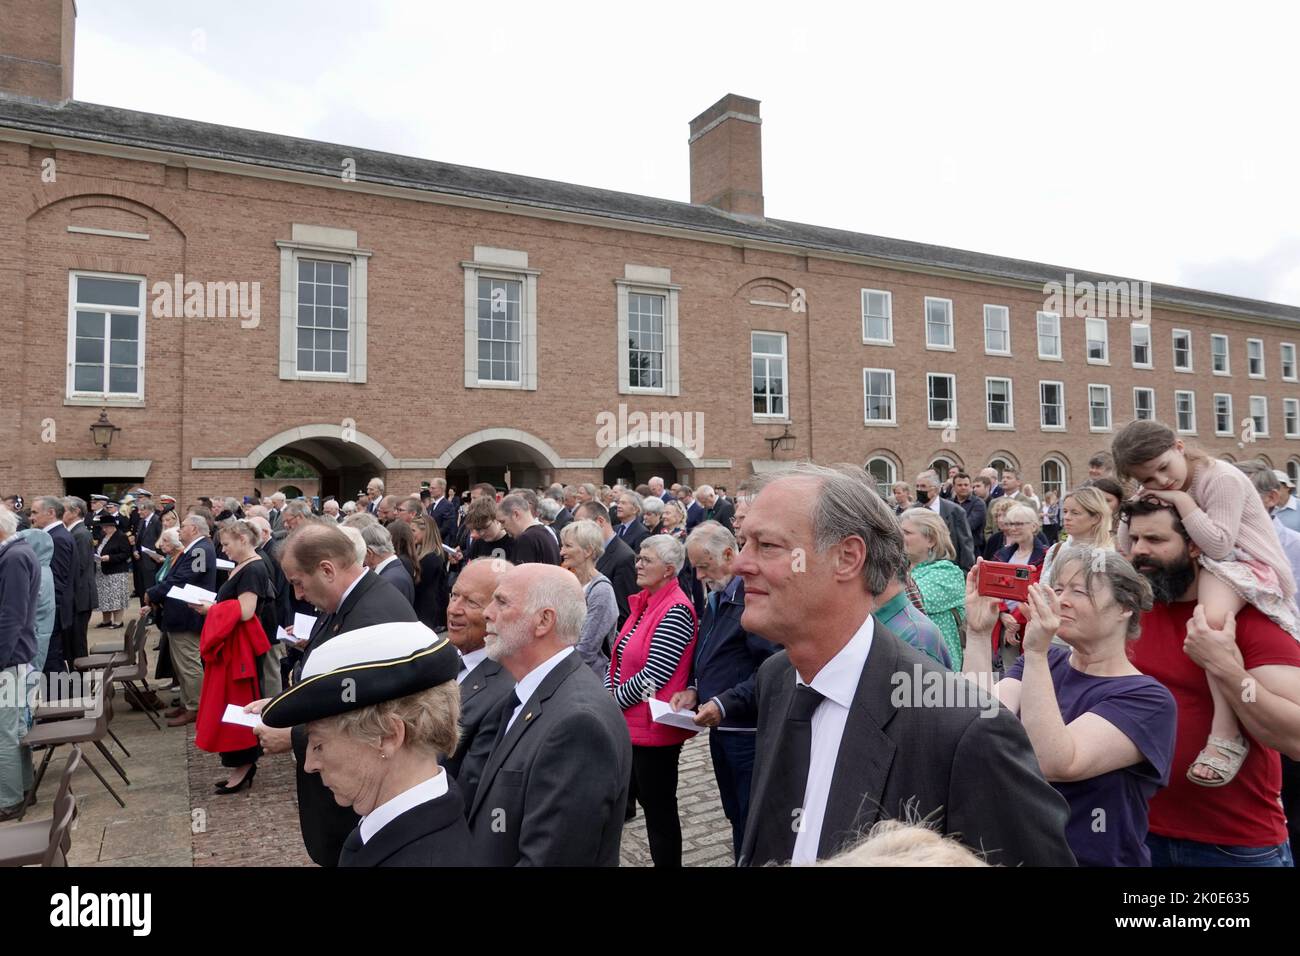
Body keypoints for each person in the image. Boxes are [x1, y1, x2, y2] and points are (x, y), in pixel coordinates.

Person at [734, 463, 1074, 867]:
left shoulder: (963, 729)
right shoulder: (777, 677)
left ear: (847, 557)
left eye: (766, 546)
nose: (740, 564)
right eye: (743, 543)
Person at [1113, 419, 1298, 788]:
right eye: (1147, 478)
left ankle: (1226, 731)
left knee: (1210, 624)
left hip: (1247, 564)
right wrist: (1136, 502)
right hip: (1214, 563)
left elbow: (1218, 546)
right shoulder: (1154, 487)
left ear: (1179, 447)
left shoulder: (1221, 478)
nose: (1161, 481)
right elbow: (1124, 542)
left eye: (1164, 468)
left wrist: (1183, 501)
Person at [962, 550, 1177, 866]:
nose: (1062, 600)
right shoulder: (1048, 661)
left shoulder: (1148, 699)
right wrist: (979, 633)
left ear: (1125, 607)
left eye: (1080, 591)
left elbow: (1055, 762)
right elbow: (976, 723)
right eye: (1059, 589)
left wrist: (1036, 653)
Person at [1123, 498, 1300, 866]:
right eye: (1135, 538)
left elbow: (1295, 738)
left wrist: (1226, 668)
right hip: (1138, 833)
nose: (1139, 550)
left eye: (1155, 539)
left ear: (1194, 545)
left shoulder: (1249, 623)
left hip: (1232, 845)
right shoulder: (1131, 615)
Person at [249, 522, 419, 867]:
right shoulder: (348, 604)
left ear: (327, 570)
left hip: (361, 792)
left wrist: (293, 735)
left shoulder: (373, 614)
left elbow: (372, 715)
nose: (298, 595)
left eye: (298, 582)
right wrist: (285, 705)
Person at [261, 622, 471, 866]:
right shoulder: (412, 825)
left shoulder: (421, 853)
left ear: (387, 736)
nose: (310, 764)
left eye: (318, 744)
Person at [468, 564, 633, 866]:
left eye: (501, 602)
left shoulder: (578, 725)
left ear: (544, 620)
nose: (487, 613)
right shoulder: (533, 689)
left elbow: (551, 858)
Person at [672, 521, 779, 859]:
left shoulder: (751, 599)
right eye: (695, 567)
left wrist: (724, 702)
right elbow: (710, 650)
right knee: (734, 812)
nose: (699, 576)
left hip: (747, 731)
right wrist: (694, 688)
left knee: (750, 818)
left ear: (730, 555)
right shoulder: (719, 595)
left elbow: (772, 669)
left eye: (704, 566)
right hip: (723, 728)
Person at [606, 534, 698, 867]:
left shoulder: (675, 609)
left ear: (669, 569)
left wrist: (611, 702)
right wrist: (608, 693)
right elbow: (618, 658)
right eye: (638, 558)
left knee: (659, 812)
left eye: (647, 560)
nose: (638, 564)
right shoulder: (645, 602)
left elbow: (654, 675)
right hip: (631, 723)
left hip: (653, 729)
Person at [191, 520, 278, 793]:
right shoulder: (244, 565)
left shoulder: (254, 568)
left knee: (239, 703)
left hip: (240, 651)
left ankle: (245, 763)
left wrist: (211, 610)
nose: (223, 550)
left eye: (227, 544)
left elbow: (246, 611)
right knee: (229, 702)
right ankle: (239, 764)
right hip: (233, 646)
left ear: (243, 539)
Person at [441, 558, 515, 808]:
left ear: (500, 611)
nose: (454, 609)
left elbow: (468, 788)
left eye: (471, 602)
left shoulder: (506, 690)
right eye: (454, 596)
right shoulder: (441, 656)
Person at [0, 508, 40, 820]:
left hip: (9, 658)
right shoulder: (18, 552)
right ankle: (24, 789)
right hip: (15, 656)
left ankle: (9, 799)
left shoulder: (14, 557)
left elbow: (10, 616)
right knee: (14, 729)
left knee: (5, 732)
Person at [899, 509, 966, 669]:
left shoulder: (947, 572)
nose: (898, 537)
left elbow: (909, 601)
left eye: (906, 532)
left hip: (936, 668)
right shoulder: (903, 570)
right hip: (906, 661)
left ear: (931, 540)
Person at [558, 520, 616, 678]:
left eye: (568, 546)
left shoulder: (601, 590)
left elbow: (586, 649)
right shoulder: (567, 580)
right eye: (562, 546)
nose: (562, 552)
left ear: (588, 551)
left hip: (582, 677)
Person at [575, 501, 638, 628]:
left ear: (600, 521)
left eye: (581, 525)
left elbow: (623, 613)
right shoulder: (587, 551)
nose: (577, 531)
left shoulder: (624, 557)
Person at [1043, 486, 1115, 586]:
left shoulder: (1100, 554)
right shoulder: (1056, 549)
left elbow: (1098, 591)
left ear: (1096, 518)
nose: (1067, 517)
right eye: (1065, 511)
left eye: (1075, 513)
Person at [914, 471, 976, 572]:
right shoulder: (913, 511)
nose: (919, 490)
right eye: (917, 486)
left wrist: (966, 571)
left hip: (948, 567)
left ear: (935, 489)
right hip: (919, 568)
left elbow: (965, 544)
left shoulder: (955, 511)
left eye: (923, 486)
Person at [62, 496, 97, 663]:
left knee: (77, 642)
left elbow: (80, 565)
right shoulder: (74, 532)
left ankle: (81, 676)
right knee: (72, 642)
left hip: (80, 596)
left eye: (63, 510)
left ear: (75, 512)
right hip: (78, 595)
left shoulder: (80, 534)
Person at [409, 511, 450, 633]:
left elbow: (420, 585)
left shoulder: (431, 558)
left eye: (413, 531)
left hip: (427, 613)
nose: (410, 534)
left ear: (425, 532)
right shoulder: (430, 554)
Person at [92, 513, 133, 630]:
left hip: (116, 571)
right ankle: (106, 620)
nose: (104, 529)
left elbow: (126, 554)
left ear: (112, 526)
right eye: (103, 527)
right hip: (102, 570)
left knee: (116, 597)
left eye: (106, 527)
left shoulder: (121, 536)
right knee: (104, 597)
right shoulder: (103, 536)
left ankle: (118, 621)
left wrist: (110, 558)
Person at [361, 523, 416, 607]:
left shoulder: (390, 580)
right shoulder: (394, 573)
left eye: (362, 554)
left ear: (369, 553)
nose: (362, 561)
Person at [498, 493, 561, 565]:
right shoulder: (546, 533)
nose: (501, 527)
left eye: (503, 522)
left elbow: (522, 572)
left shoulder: (526, 539)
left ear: (516, 514)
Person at [952, 472, 987, 544]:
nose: (963, 487)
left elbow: (968, 526)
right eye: (960, 485)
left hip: (972, 546)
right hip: (953, 545)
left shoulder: (978, 504)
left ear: (970, 486)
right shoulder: (949, 503)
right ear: (954, 487)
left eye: (966, 485)